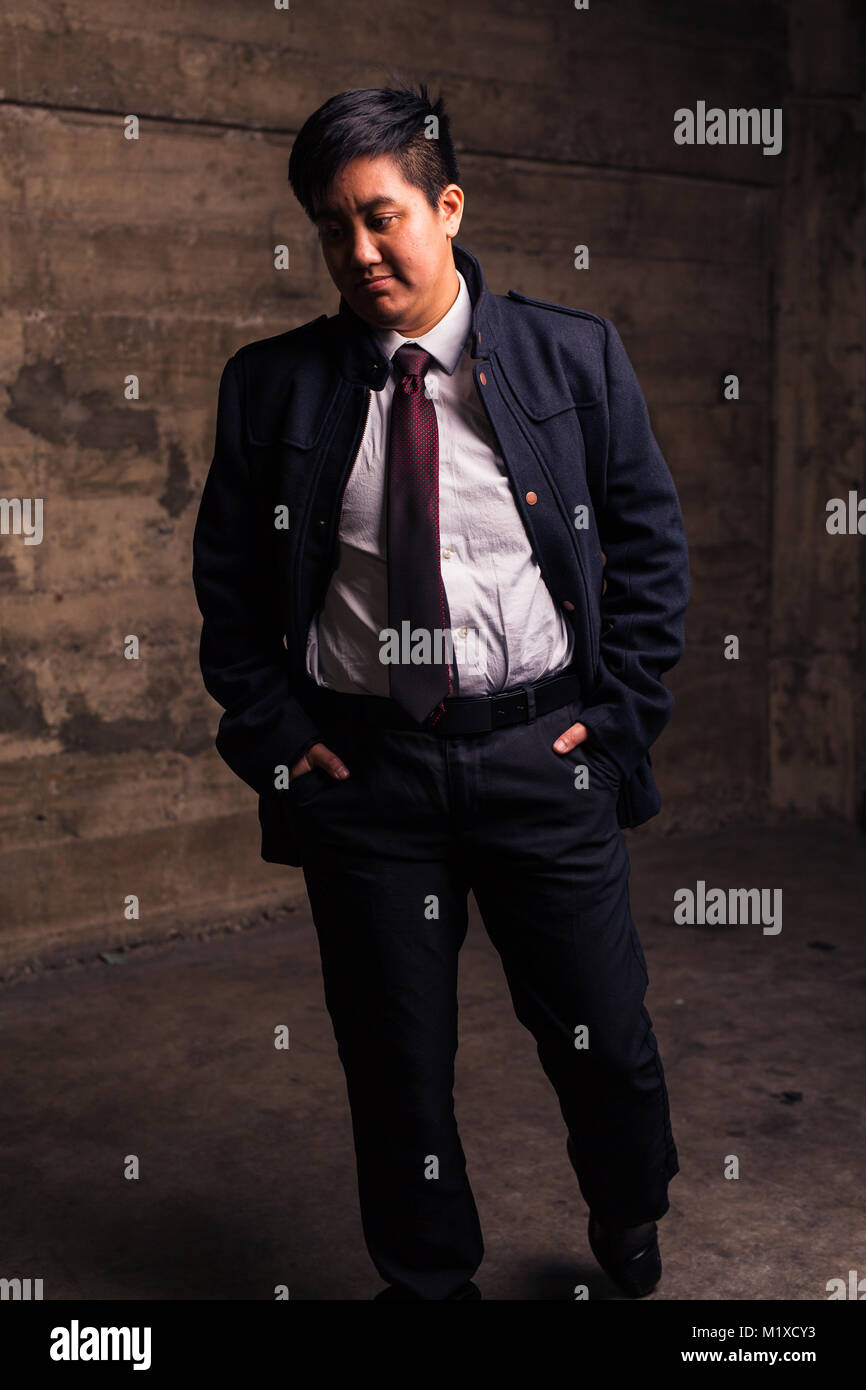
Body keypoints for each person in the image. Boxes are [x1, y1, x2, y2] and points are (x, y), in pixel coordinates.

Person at [192, 82, 690, 1301]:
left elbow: (651, 545)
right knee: (394, 1063)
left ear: (445, 206)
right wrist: (279, 735)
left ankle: (628, 1209)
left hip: (540, 755)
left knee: (604, 1042)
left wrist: (615, 725)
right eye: (328, 227)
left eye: (379, 218)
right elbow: (231, 593)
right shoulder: (274, 387)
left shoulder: (572, 357)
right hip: (370, 777)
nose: (355, 252)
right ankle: (427, 1283)